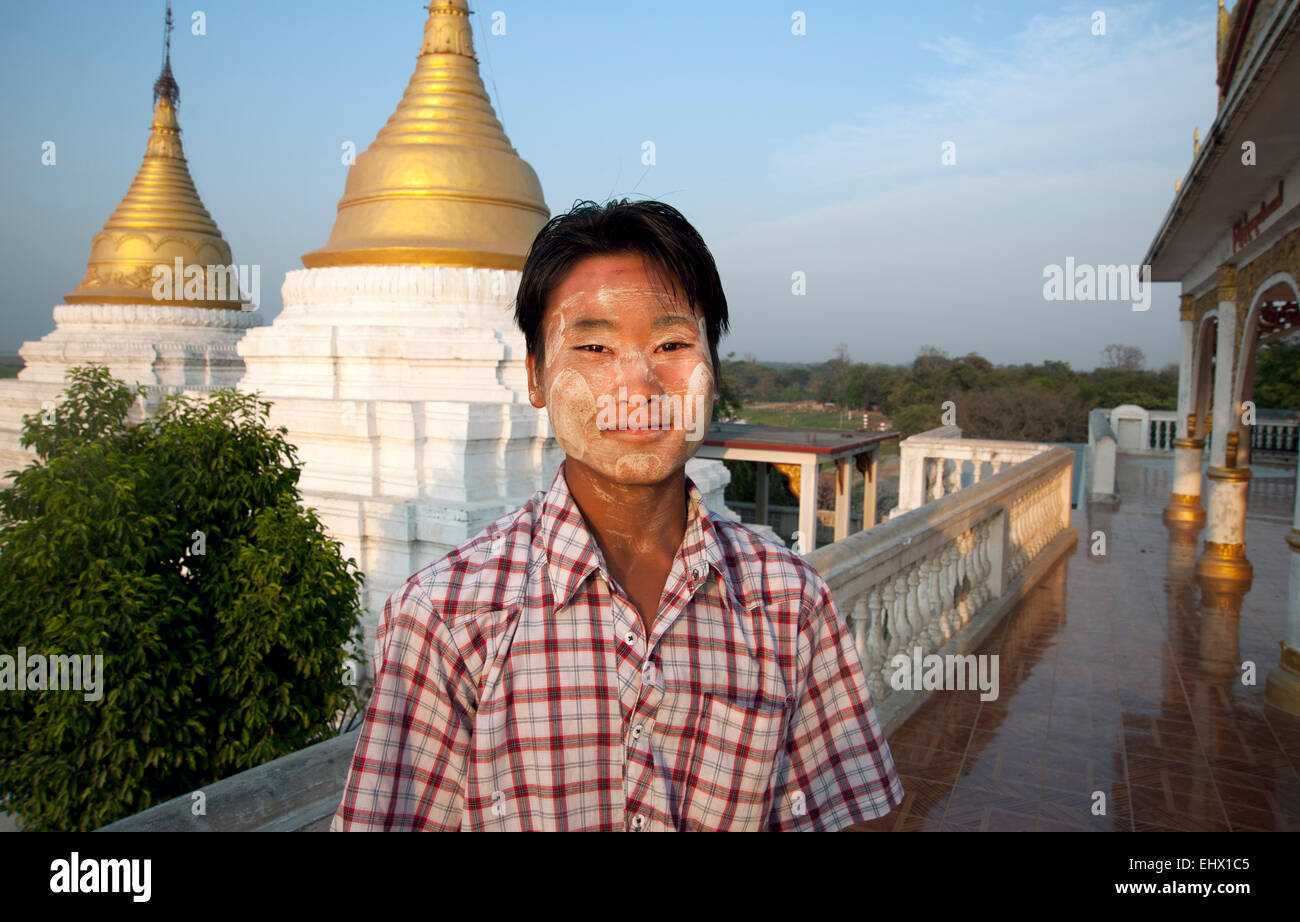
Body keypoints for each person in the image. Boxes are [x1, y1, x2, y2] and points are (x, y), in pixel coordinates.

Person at [331, 199, 903, 831]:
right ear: (537, 378)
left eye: (672, 343)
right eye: (597, 346)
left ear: (713, 368)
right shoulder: (445, 617)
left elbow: (845, 816)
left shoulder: (790, 603)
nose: (640, 386)